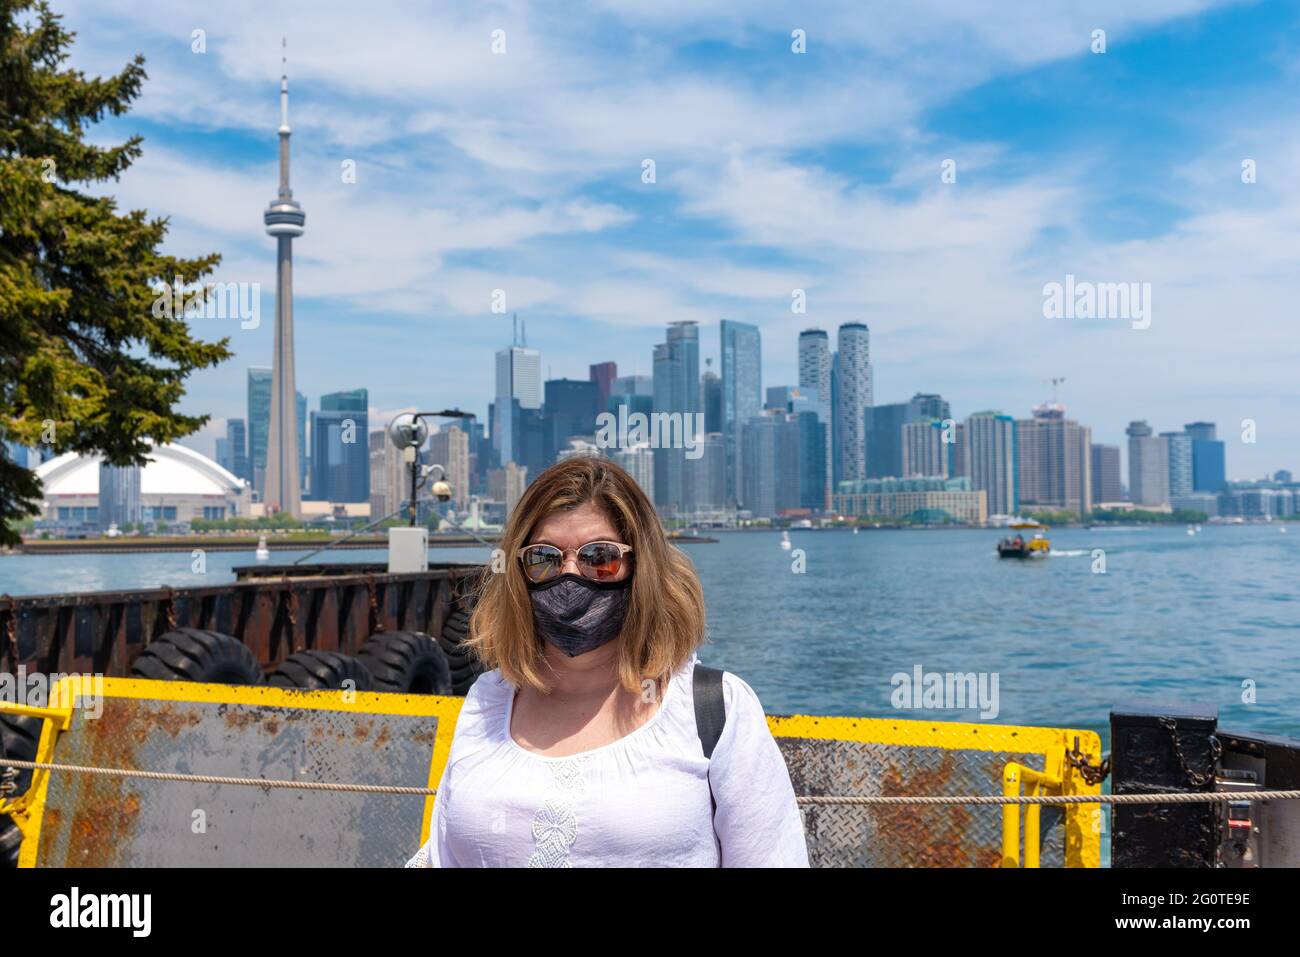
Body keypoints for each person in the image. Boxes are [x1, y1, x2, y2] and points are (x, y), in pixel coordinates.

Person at [405, 456, 809, 867]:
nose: (570, 575)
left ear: (640, 567)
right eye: (544, 558)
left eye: (599, 557)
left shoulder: (714, 709)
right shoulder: (488, 701)